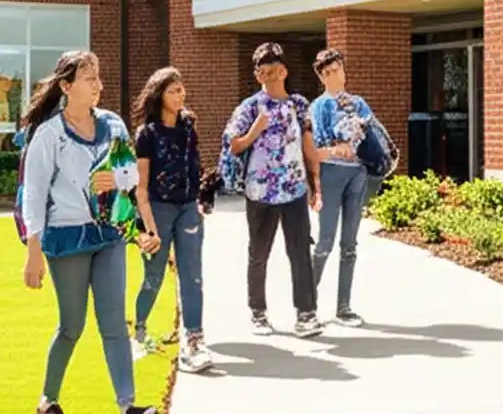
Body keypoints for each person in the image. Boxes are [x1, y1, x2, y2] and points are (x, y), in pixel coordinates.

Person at [19, 50, 160, 414]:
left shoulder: (113, 125)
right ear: (67, 86)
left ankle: (128, 405)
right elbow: (33, 194)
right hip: (66, 239)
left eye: (97, 76)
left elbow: (131, 175)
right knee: (72, 326)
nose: (98, 85)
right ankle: (48, 400)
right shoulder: (49, 136)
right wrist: (33, 251)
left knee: (114, 322)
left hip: (109, 235)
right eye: (88, 78)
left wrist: (117, 178)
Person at [219, 42, 325, 338]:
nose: (270, 77)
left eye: (274, 72)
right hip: (260, 192)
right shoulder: (250, 107)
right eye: (263, 73)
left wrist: (317, 184)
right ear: (257, 75)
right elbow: (234, 144)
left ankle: (306, 314)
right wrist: (256, 128)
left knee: (300, 251)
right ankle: (258, 312)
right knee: (259, 252)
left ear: (284, 71)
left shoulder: (299, 105)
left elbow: (308, 144)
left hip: (293, 189)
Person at [130, 66, 219, 373]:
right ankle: (138, 332)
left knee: (192, 276)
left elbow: (195, 166)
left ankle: (194, 340)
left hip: (187, 209)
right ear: (159, 95)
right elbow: (140, 188)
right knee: (153, 278)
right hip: (157, 209)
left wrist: (202, 197)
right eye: (173, 90)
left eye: (182, 90)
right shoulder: (147, 134)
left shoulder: (188, 128)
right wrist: (149, 228)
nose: (180, 95)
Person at [309, 48, 375, 327]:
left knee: (350, 244)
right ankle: (307, 305)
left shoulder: (358, 103)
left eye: (337, 69)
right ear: (321, 77)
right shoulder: (319, 106)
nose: (334, 76)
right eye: (327, 73)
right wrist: (339, 150)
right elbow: (316, 149)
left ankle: (344, 306)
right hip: (332, 175)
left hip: (357, 175)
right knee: (325, 242)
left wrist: (359, 146)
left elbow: (369, 133)